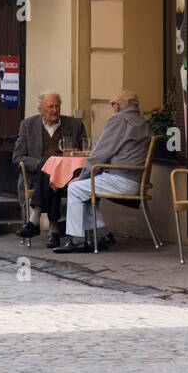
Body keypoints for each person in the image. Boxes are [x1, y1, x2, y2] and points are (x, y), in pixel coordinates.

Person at [56, 89, 151, 254]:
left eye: (113, 105)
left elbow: (100, 153)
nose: (112, 109)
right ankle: (102, 235)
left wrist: (82, 176)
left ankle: (77, 240)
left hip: (122, 179)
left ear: (119, 106)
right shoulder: (143, 122)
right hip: (134, 179)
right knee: (86, 190)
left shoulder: (119, 119)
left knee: (75, 188)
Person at [13, 91, 87, 248]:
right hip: (36, 175)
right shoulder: (28, 125)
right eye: (50, 107)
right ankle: (54, 230)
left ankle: (35, 218)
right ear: (40, 109)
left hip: (68, 176)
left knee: (52, 172)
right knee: (48, 171)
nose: (54, 110)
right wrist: (41, 164)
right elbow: (17, 157)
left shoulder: (75, 125)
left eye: (57, 106)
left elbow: (85, 153)